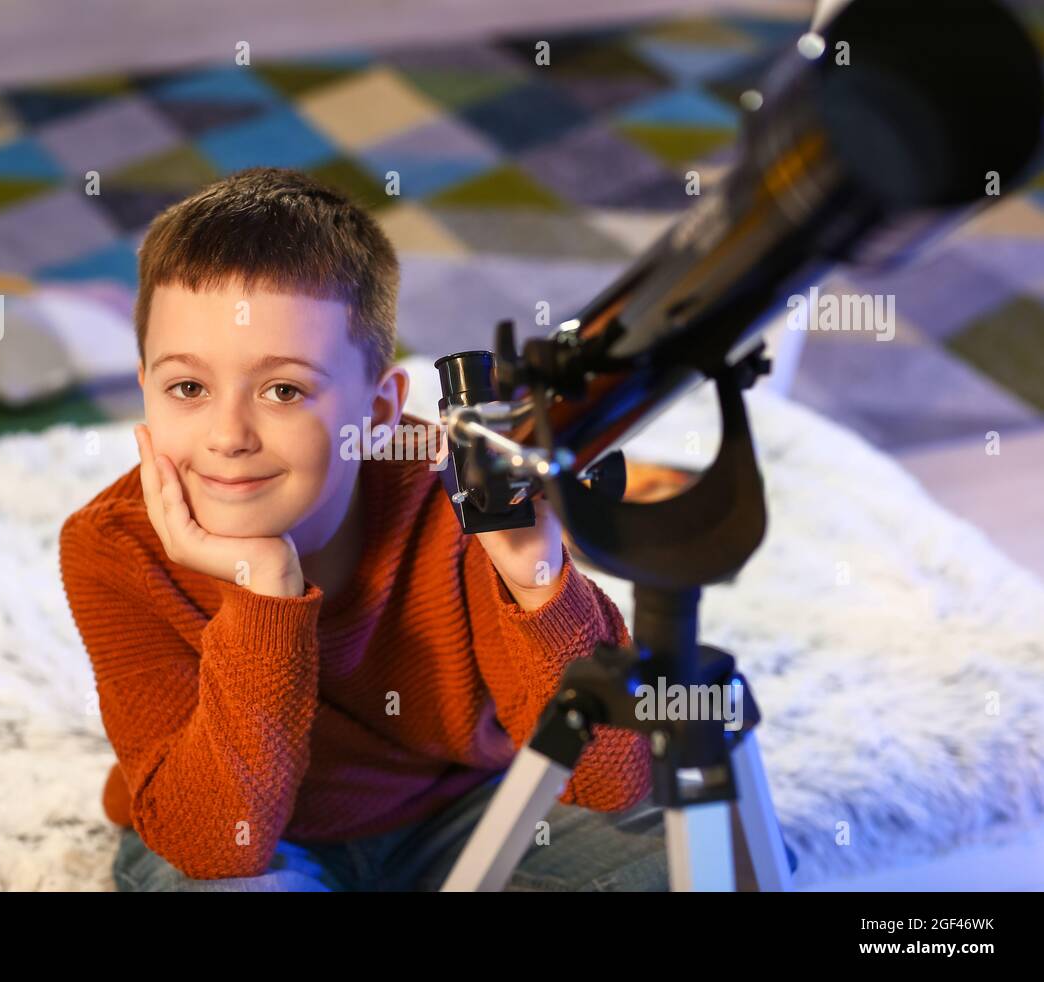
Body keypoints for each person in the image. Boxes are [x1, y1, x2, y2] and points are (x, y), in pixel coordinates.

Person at [60, 166, 789, 890]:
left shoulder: (455, 494)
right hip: (248, 831)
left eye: (283, 390)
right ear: (145, 386)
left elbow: (613, 781)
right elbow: (219, 844)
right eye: (187, 387)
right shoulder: (111, 546)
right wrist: (264, 591)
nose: (227, 436)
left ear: (378, 413)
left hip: (460, 808)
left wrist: (535, 576)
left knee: (708, 867)